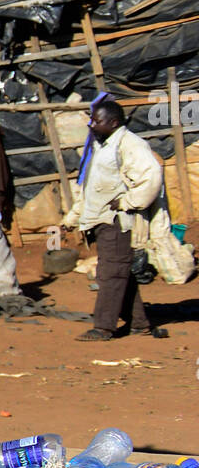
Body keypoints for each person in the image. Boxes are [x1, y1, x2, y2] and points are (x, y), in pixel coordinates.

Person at [62, 96, 168, 341]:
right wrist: (72, 218)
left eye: (96, 121)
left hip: (118, 221)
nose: (91, 124)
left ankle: (103, 327)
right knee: (119, 273)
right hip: (100, 220)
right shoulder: (103, 146)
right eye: (91, 120)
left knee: (111, 274)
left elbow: (151, 177)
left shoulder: (130, 144)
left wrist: (128, 202)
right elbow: (90, 189)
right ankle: (140, 324)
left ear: (114, 122)